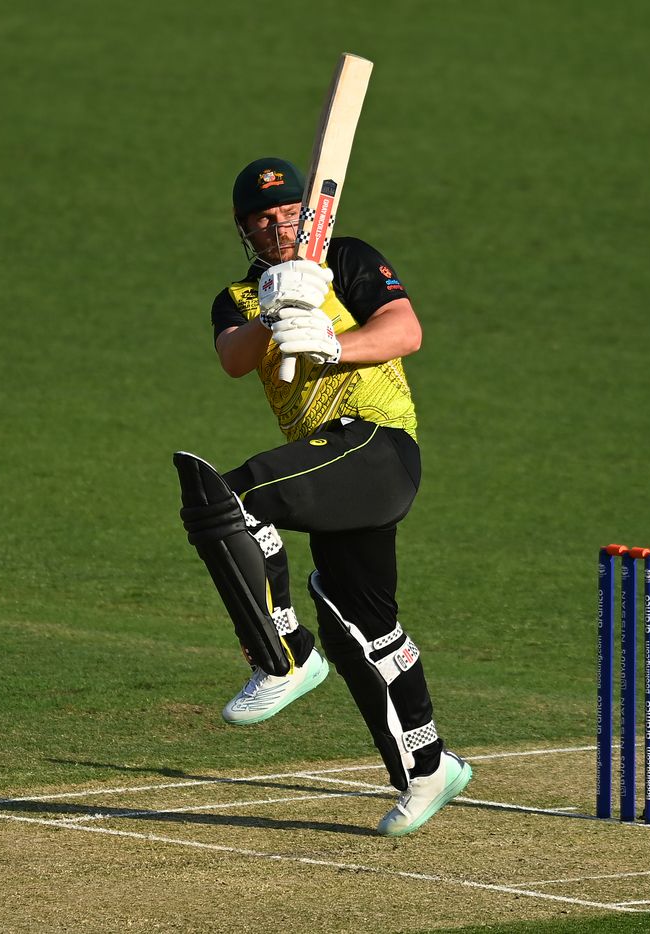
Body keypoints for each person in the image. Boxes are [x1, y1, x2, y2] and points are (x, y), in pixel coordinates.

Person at [171, 157, 470, 836]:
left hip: (376, 444)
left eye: (286, 213)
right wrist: (276, 310)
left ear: (310, 215)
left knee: (231, 500)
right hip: (333, 466)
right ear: (245, 227)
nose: (275, 225)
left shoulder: (348, 258)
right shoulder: (238, 298)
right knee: (359, 622)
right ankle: (427, 767)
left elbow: (405, 331)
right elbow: (232, 358)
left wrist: (331, 342)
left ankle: (286, 654)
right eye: (261, 217)